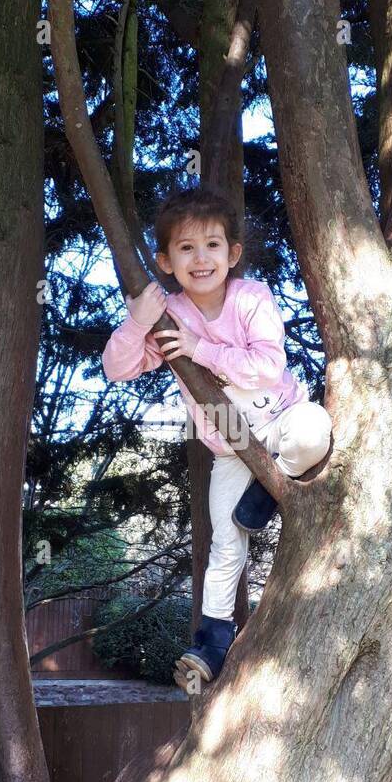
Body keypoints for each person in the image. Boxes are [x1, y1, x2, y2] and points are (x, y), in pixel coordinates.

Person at [101, 186, 333, 691]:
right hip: (228, 442)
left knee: (316, 433)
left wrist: (200, 350)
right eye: (185, 248)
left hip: (280, 416)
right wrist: (139, 320)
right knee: (226, 547)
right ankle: (210, 640)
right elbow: (117, 369)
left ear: (233, 254)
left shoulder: (251, 298)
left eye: (212, 245)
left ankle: (266, 494)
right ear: (165, 261)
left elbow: (268, 366)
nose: (200, 258)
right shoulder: (169, 317)